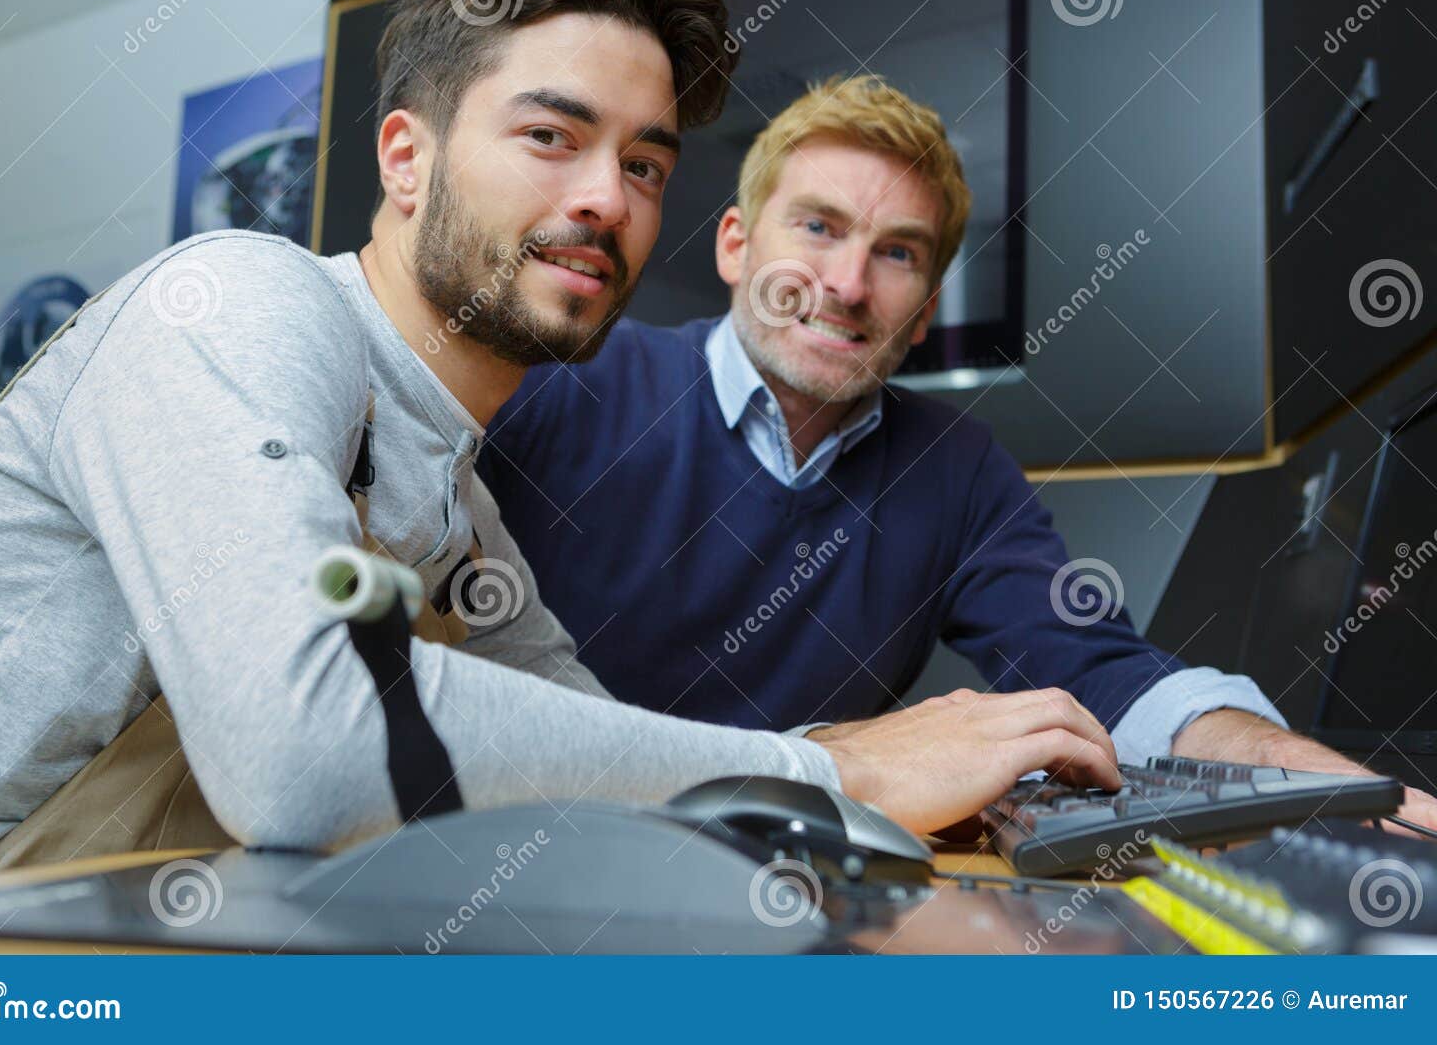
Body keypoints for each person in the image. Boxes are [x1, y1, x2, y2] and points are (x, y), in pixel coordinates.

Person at [0, 0, 1123, 893]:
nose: (605, 199)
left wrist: (875, 774)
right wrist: (827, 764)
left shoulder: (453, 499)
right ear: (407, 155)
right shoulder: (235, 298)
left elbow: (593, 752)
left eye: (643, 162)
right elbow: (301, 738)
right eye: (549, 136)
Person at [475, 74, 1437, 829]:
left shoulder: (960, 472)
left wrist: (1349, 800)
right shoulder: (564, 376)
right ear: (735, 244)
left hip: (786, 905)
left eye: (897, 253)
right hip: (521, 860)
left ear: (928, 308)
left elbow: (1111, 677)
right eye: (817, 226)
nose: (849, 283)